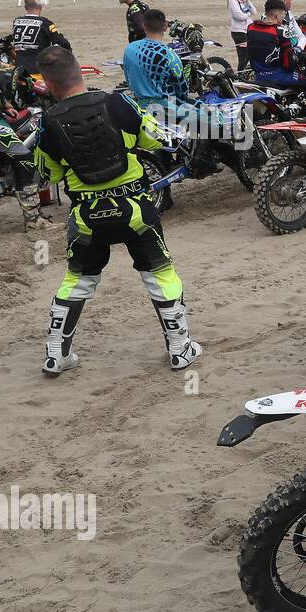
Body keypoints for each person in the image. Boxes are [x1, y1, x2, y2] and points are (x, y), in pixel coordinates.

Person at [33, 47, 200, 376]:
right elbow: (156, 139)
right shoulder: (118, 103)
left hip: (86, 217)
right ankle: (180, 349)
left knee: (78, 279)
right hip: (135, 209)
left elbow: (47, 175)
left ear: (49, 86)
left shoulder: (47, 124)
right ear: (81, 69)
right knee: (159, 274)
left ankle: (56, 354)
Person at [246, 0, 306, 94]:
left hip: (258, 75)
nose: (283, 17)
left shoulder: (251, 28)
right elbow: (289, 64)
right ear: (277, 15)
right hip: (278, 76)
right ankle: (295, 106)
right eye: (283, 15)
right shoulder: (281, 32)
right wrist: (298, 58)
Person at [122, 9, 189, 108]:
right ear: (165, 27)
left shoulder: (129, 49)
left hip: (139, 107)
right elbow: (182, 92)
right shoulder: (170, 55)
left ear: (144, 26)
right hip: (164, 110)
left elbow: (129, 80)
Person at [7, 0, 72, 75]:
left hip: (19, 70)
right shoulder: (45, 23)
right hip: (38, 68)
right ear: (40, 8)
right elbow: (62, 43)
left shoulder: (16, 22)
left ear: (25, 8)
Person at [228, 0, 256, 71]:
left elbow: (254, 12)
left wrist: (247, 0)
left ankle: (244, 73)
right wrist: (248, 13)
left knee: (249, 55)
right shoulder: (232, 1)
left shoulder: (243, 1)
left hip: (247, 30)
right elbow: (239, 16)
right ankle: (240, 75)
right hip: (238, 32)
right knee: (243, 57)